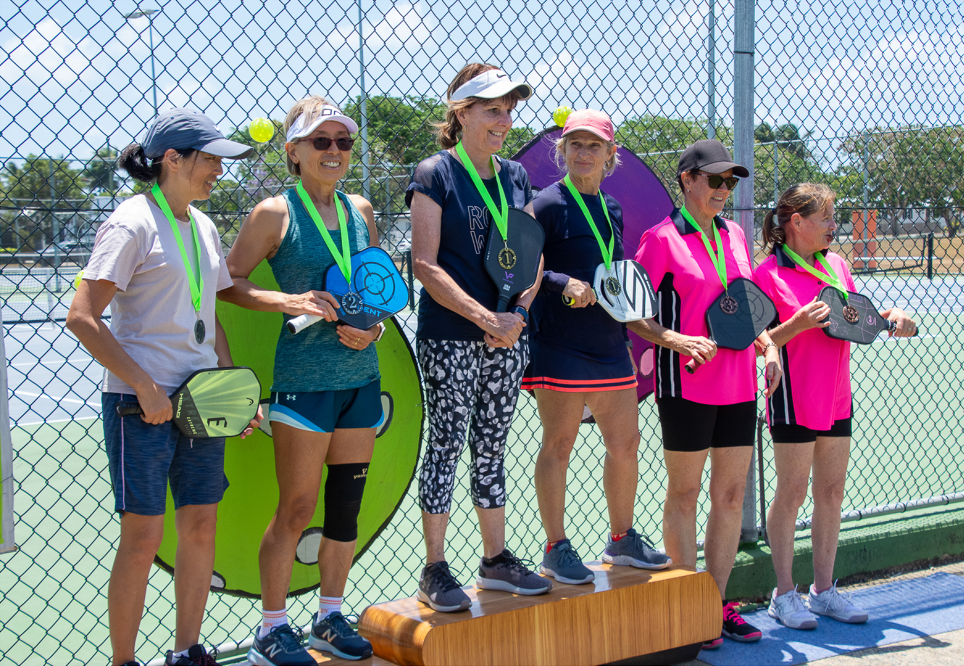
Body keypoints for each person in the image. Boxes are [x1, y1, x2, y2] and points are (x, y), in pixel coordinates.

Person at [66, 108, 255, 666]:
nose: (220, 168)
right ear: (172, 160)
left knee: (199, 526)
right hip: (138, 404)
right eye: (211, 158)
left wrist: (231, 390)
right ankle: (124, 661)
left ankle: (187, 651)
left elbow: (210, 311)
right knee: (144, 539)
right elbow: (82, 316)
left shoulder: (203, 224)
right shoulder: (132, 222)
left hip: (200, 401)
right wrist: (144, 387)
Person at [220, 97, 381, 664]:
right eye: (321, 141)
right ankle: (270, 628)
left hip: (362, 377)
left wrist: (376, 329)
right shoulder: (273, 212)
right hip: (304, 381)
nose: (334, 151)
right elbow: (228, 283)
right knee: (296, 507)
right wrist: (286, 298)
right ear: (294, 151)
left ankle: (330, 618)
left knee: (345, 506)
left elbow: (371, 287)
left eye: (343, 142)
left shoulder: (360, 209)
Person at [406, 62, 550, 612]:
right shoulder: (435, 172)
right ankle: (435, 569)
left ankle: (494, 562)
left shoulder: (514, 176)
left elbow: (531, 251)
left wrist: (514, 315)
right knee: (445, 444)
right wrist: (486, 319)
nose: (504, 119)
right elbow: (425, 264)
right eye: (492, 109)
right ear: (461, 113)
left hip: (509, 335)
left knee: (491, 446)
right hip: (452, 336)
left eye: (510, 109)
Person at [628, 139, 782, 650]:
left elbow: (742, 304)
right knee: (686, 494)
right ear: (687, 180)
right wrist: (675, 339)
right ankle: (683, 606)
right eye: (714, 180)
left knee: (732, 495)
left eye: (729, 183)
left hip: (739, 384)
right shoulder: (660, 240)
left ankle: (714, 604)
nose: (723, 190)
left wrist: (767, 344)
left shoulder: (736, 235)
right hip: (685, 384)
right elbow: (635, 315)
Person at [755, 183, 916, 630]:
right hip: (792, 397)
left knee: (831, 493)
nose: (833, 225)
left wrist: (891, 318)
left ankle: (823, 592)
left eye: (832, 216)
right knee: (791, 495)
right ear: (796, 223)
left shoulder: (838, 266)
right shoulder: (767, 275)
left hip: (836, 396)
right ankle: (783, 594)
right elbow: (759, 342)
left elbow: (854, 321)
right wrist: (796, 323)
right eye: (824, 217)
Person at [523, 109, 670, 584]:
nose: (584, 154)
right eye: (576, 145)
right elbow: (521, 270)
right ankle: (555, 548)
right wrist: (563, 281)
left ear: (611, 155)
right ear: (562, 151)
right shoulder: (545, 205)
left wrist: (643, 321)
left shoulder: (612, 208)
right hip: (560, 344)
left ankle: (622, 539)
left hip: (610, 341)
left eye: (594, 146)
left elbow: (615, 269)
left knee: (626, 442)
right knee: (559, 445)